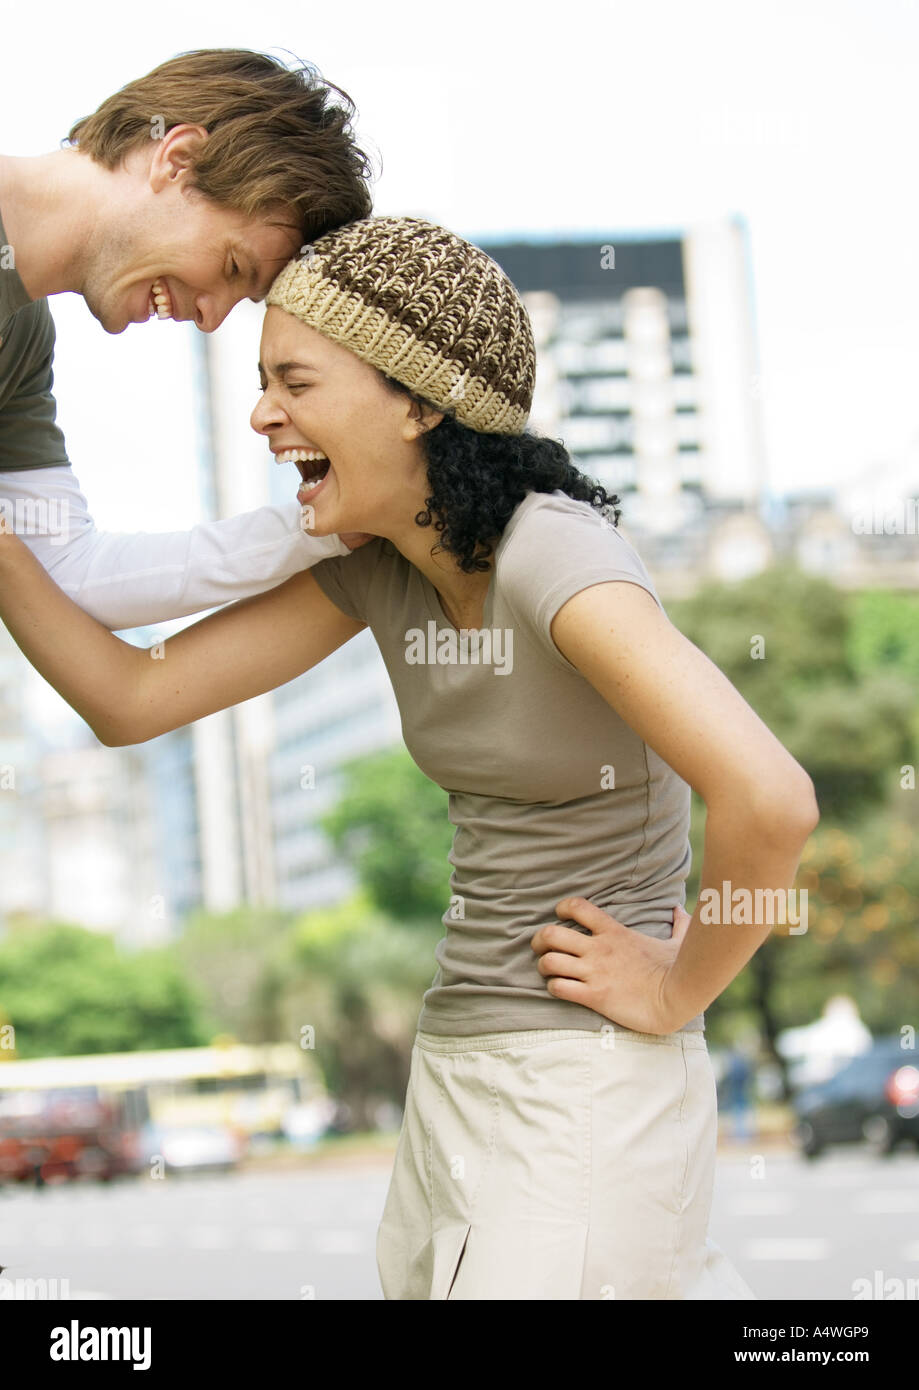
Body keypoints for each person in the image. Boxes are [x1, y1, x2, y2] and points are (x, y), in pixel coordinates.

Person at [0, 215, 820, 1300]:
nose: (262, 414)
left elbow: (769, 798)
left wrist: (677, 990)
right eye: (260, 381)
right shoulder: (385, 568)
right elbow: (131, 696)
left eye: (294, 380)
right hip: (457, 1065)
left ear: (419, 400)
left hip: (584, 1080)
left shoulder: (551, 551)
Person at [0, 48, 375, 630]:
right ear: (177, 158)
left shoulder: (21, 340)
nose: (210, 318)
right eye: (231, 266)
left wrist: (330, 526)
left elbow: (65, 571)